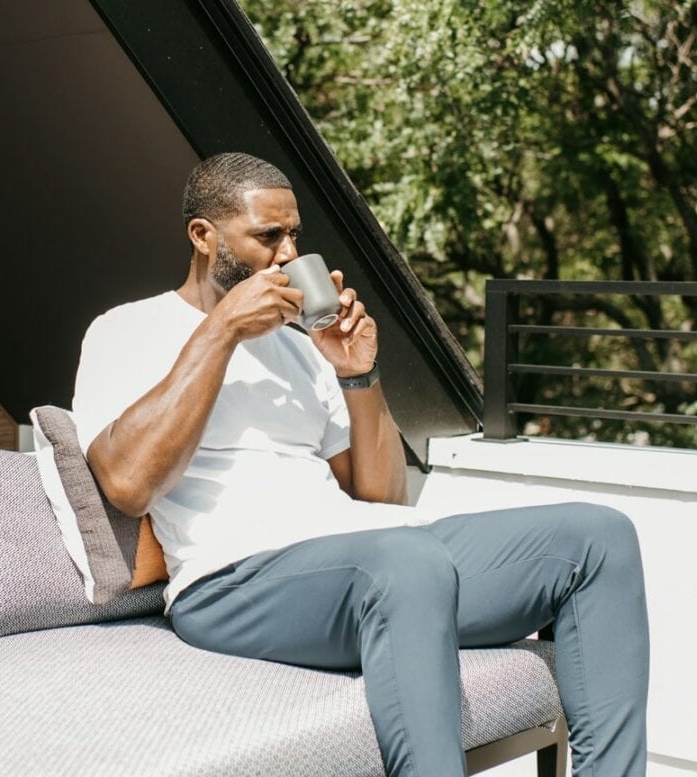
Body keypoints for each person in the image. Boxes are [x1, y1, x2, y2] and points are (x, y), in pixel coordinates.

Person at [73, 152, 649, 777]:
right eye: (268, 236)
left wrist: (358, 373)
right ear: (203, 236)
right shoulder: (127, 329)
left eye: (294, 234)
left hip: (367, 562)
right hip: (231, 584)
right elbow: (126, 484)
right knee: (404, 560)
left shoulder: (301, 351)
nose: (290, 254)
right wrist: (221, 331)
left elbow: (382, 501)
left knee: (597, 537)